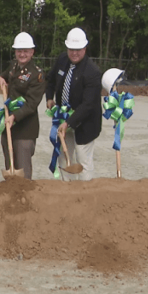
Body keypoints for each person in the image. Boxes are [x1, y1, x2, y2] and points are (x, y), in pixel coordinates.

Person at [45, 27, 102, 181]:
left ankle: (85, 193)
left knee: (83, 160)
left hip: (86, 123)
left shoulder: (92, 72)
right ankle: (67, 189)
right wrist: (49, 98)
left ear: (85, 48)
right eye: (71, 49)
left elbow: (88, 105)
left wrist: (69, 122)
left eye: (78, 49)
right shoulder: (62, 60)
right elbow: (50, 79)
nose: (74, 53)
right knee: (64, 156)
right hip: (64, 119)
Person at [0, 32, 45, 179]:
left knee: (23, 171)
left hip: (25, 128)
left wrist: (14, 117)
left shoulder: (37, 74)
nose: (22, 54)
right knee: (10, 167)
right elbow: (3, 76)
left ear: (32, 52)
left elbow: (31, 104)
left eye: (25, 51)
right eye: (19, 51)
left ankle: (25, 200)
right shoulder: (13, 66)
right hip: (9, 126)